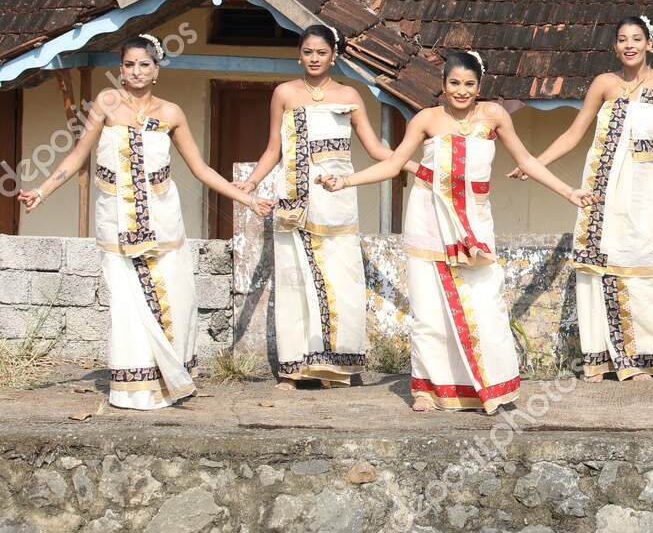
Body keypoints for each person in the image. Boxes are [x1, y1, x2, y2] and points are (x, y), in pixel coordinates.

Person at [321, 50, 594, 412]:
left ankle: (489, 387)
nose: (461, 91)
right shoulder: (426, 119)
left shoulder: (493, 116)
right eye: (454, 84)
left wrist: (569, 191)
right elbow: (394, 165)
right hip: (428, 217)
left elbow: (526, 160)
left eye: (469, 84)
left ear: (479, 86)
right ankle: (426, 390)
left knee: (486, 305)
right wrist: (346, 180)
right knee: (429, 310)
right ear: (443, 85)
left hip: (475, 223)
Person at [19, 34, 255, 408]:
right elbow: (79, 154)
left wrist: (245, 197)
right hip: (115, 219)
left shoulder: (171, 113)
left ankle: (168, 378)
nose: (136, 71)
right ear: (121, 69)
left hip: (162, 221)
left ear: (157, 69)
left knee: (173, 297)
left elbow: (200, 169)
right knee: (127, 302)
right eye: (129, 64)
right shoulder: (107, 103)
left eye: (144, 64)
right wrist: (42, 190)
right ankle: (133, 385)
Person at [511, 15, 653, 380]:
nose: (629, 44)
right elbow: (573, 134)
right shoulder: (604, 83)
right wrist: (533, 163)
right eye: (622, 39)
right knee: (597, 266)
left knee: (642, 265)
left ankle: (648, 357)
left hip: (644, 187)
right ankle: (600, 359)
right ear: (615, 46)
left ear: (651, 44)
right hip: (600, 185)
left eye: (636, 38)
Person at [239, 25, 405, 389]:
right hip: (294, 200)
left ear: (334, 56)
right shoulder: (284, 94)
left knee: (342, 276)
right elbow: (273, 149)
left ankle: (340, 365)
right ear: (299, 55)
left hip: (337, 198)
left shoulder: (350, 95)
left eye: (322, 53)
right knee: (294, 280)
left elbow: (377, 150)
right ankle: (295, 368)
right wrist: (250, 184)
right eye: (308, 52)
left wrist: (412, 164)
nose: (314, 59)